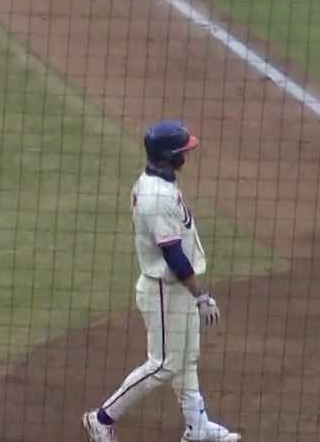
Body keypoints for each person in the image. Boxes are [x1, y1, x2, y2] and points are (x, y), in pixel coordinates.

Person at [82, 120, 239, 442]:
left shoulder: (160, 182)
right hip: (165, 291)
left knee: (186, 358)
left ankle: (198, 427)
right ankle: (102, 418)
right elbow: (174, 256)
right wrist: (200, 296)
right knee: (164, 364)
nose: (187, 155)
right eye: (183, 150)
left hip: (175, 290)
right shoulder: (156, 196)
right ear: (169, 155)